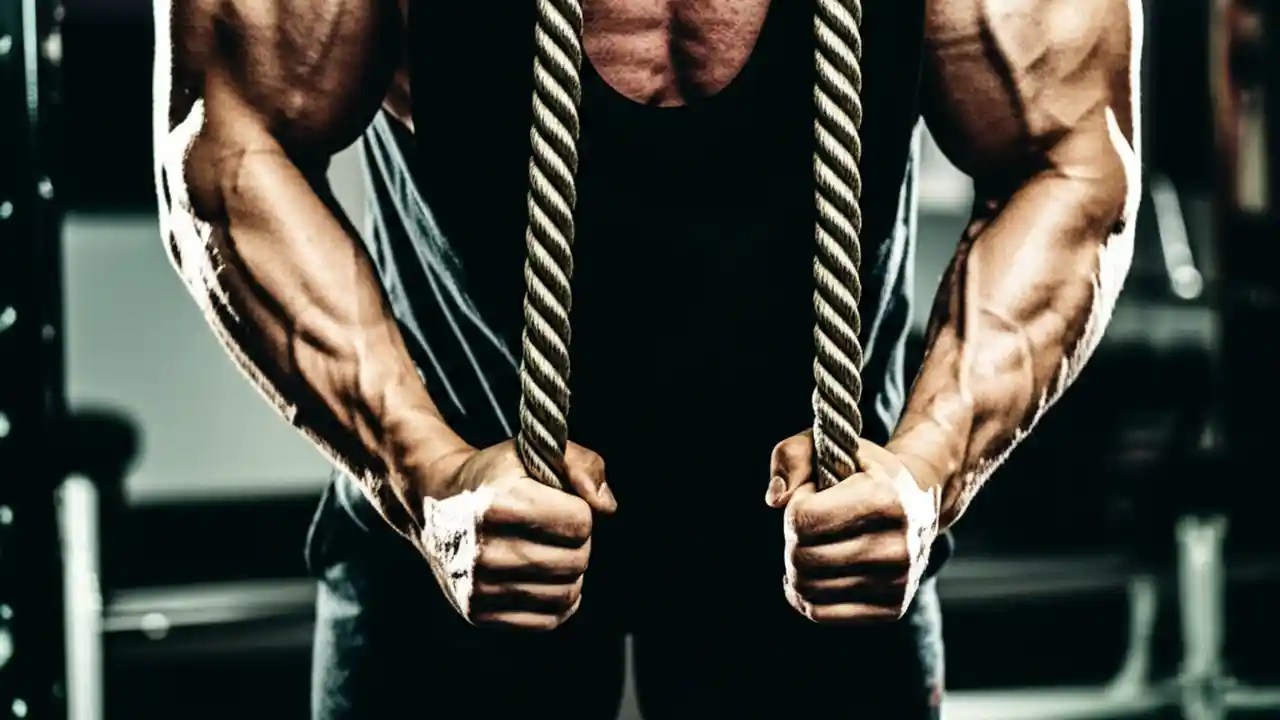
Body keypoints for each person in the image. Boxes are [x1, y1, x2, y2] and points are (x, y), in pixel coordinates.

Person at [153, 0, 1141, 717]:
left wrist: (927, 470)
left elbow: (1068, 160)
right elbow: (231, 148)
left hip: (828, 526)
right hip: (463, 512)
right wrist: (426, 478)